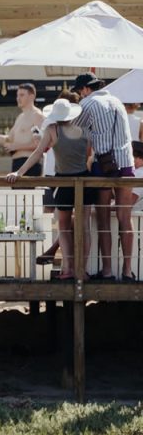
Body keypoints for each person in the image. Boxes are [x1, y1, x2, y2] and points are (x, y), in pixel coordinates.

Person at [8, 96, 87, 280]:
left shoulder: (53, 129)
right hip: (85, 181)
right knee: (84, 227)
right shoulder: (84, 130)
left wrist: (19, 172)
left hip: (64, 182)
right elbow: (89, 157)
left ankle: (67, 268)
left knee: (64, 227)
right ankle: (81, 269)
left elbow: (37, 153)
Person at [70, 74, 136, 281]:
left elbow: (74, 130)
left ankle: (107, 271)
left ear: (84, 89)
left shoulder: (87, 103)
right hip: (127, 164)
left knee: (104, 220)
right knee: (125, 219)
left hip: (104, 165)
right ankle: (127, 271)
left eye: (79, 91)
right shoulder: (117, 101)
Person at [0, 83, 43, 173]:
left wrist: (16, 146)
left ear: (32, 97)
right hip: (16, 162)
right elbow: (8, 139)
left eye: (22, 95)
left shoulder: (37, 115)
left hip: (30, 163)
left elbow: (39, 144)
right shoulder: (20, 117)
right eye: (17, 95)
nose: (18, 98)